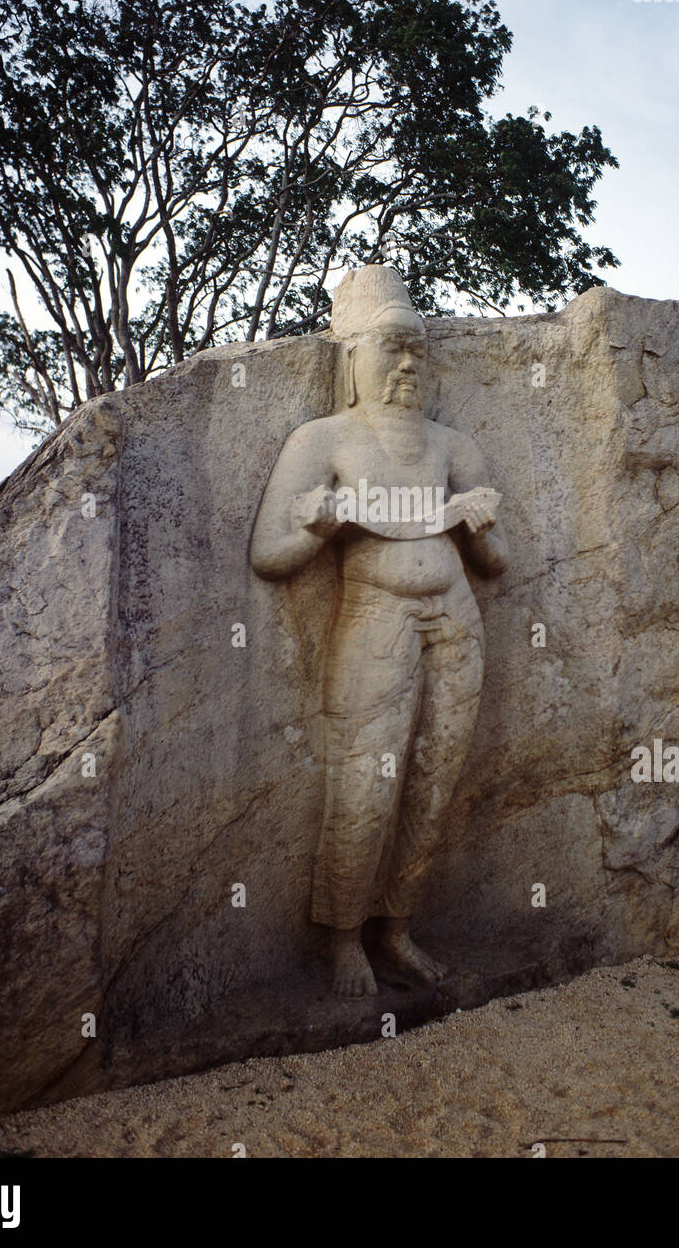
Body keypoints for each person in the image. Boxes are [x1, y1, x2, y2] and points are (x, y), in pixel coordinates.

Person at [250, 266, 508, 997]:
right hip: (375, 619)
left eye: (418, 352)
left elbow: (497, 562)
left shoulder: (452, 445)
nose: (406, 366)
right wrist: (319, 527)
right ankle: (341, 937)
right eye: (391, 348)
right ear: (350, 358)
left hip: (455, 619)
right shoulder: (324, 439)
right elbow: (270, 555)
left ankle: (396, 927)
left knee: (435, 781)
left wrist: (479, 527)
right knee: (365, 782)